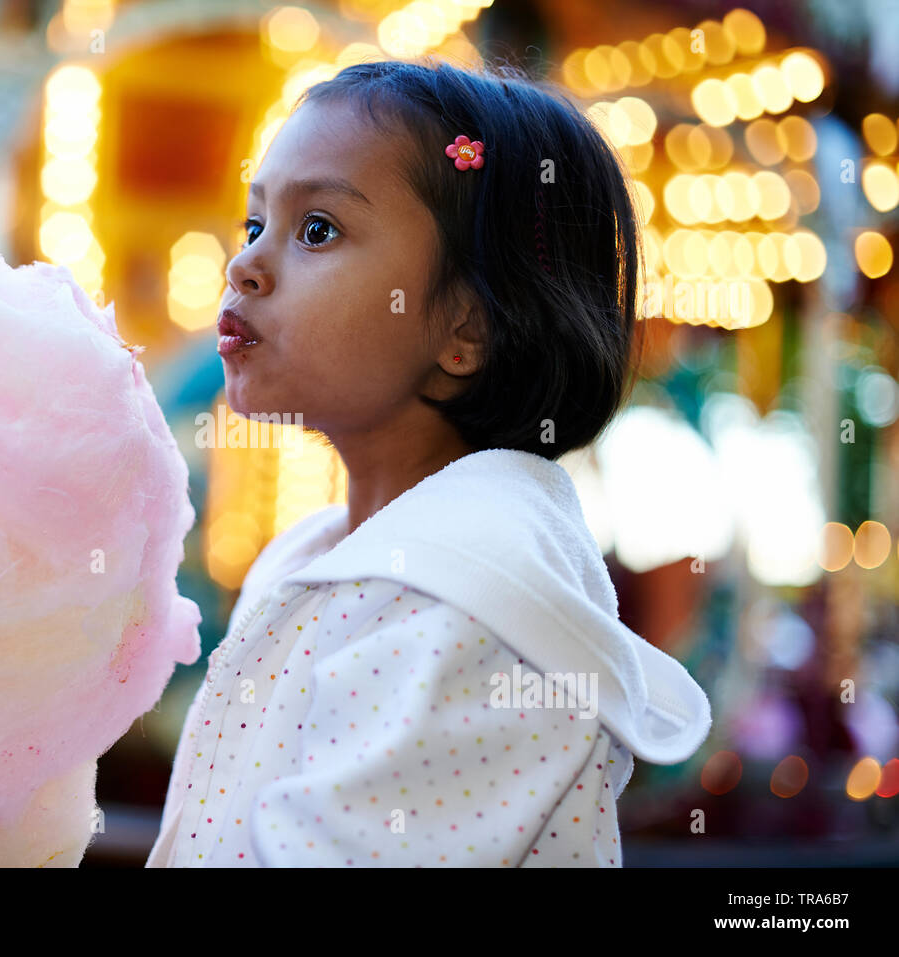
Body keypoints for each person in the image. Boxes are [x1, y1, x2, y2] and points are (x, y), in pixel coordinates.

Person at [146, 57, 712, 867]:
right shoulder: (320, 559)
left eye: (318, 230)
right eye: (254, 225)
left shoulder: (475, 598)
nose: (245, 264)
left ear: (466, 328)